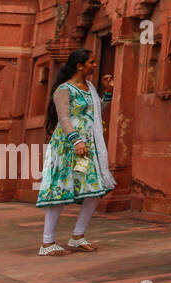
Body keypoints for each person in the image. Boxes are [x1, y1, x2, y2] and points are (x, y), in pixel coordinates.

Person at [35, 49, 116, 256]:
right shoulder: (64, 89)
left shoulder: (88, 88)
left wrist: (107, 92)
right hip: (68, 147)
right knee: (61, 189)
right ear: (79, 66)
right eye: (92, 62)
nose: (95, 65)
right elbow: (63, 118)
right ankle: (47, 242)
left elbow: (97, 112)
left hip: (87, 149)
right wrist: (76, 140)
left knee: (93, 187)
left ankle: (78, 236)